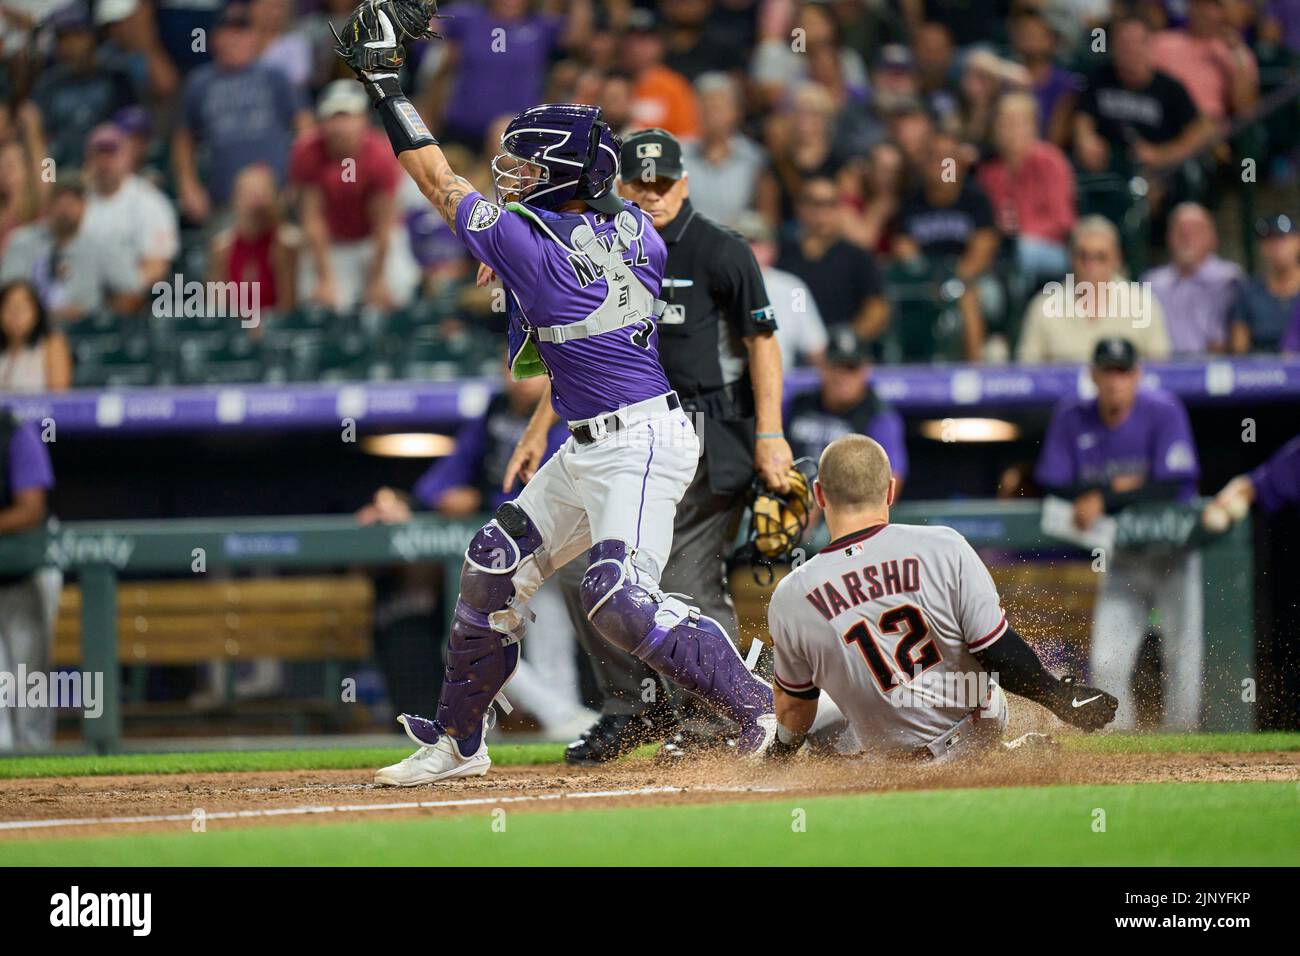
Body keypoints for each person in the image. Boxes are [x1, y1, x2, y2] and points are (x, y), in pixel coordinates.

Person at [330, 5, 773, 786]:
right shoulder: (641, 229)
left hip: (640, 442)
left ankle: (757, 706)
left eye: (532, 172)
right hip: (591, 439)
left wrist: (387, 84)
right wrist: (515, 247)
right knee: (493, 567)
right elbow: (570, 251)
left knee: (618, 599)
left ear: (567, 179)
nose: (517, 178)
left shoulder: (534, 243)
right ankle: (459, 745)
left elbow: (437, 179)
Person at [563, 127, 792, 764]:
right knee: (584, 571)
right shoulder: (602, 249)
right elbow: (578, 346)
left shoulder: (721, 250)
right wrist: (536, 433)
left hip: (709, 434)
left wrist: (770, 434)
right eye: (638, 182)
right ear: (619, 186)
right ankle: (636, 705)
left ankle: (718, 717)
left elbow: (762, 344)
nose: (651, 193)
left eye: (662, 182)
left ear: (683, 183)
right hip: (625, 431)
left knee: (688, 581)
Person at [760, 434, 1117, 763]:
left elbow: (794, 715)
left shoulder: (791, 593)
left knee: (812, 726)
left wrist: (778, 755)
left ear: (820, 495)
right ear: (889, 491)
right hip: (982, 726)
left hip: (892, 760)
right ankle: (999, 756)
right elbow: (997, 651)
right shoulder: (943, 545)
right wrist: (1059, 697)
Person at [357, 369, 597, 741]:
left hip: (556, 543)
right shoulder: (494, 411)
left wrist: (481, 500)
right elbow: (439, 481)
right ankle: (566, 719)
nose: (519, 378)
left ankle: (566, 721)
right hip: (512, 552)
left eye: (533, 371)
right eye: (512, 367)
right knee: (474, 634)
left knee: (549, 647)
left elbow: (546, 490)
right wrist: (412, 504)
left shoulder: (566, 410)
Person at [1035, 338, 1202, 731]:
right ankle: (1118, 745)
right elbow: (1050, 482)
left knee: (1183, 653)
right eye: (1107, 372)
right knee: (1107, 660)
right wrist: (1115, 491)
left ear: (1137, 375)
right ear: (1093, 375)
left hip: (1172, 555)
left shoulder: (1163, 410)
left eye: (1122, 372)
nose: (1114, 381)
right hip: (1122, 558)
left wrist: (1108, 495)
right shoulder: (1072, 415)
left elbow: (1172, 482)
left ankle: (1184, 740)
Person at [172, 2, 308, 223]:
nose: (234, 39)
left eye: (241, 32)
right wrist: (189, 186)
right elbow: (183, 138)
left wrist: (298, 181)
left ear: (255, 38)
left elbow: (305, 126)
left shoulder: (275, 76)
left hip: (277, 199)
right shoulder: (199, 82)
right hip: (225, 204)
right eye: (227, 32)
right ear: (215, 38)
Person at [290, 80, 415, 311]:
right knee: (320, 301)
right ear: (323, 122)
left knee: (396, 290)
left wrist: (376, 279)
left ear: (362, 120)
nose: (341, 126)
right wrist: (325, 278)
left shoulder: (379, 154)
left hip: (374, 239)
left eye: (347, 117)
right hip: (332, 243)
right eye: (334, 118)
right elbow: (312, 219)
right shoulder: (307, 151)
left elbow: (383, 225)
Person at [1073, 15, 1214, 176]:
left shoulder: (1169, 87)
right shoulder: (1099, 77)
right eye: (1123, 43)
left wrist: (1161, 155)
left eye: (1135, 43)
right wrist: (1086, 139)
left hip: (1153, 174)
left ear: (1149, 46)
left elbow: (1202, 128)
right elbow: (1083, 116)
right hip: (1105, 167)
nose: (1130, 50)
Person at [1017, 216, 1170, 364]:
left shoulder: (1143, 305)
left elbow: (1160, 370)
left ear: (1117, 259)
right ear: (1071, 258)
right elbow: (1028, 374)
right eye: (1083, 256)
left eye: (1100, 257)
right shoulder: (1043, 308)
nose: (1091, 266)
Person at [0, 174, 136, 322]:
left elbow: (132, 289)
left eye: (73, 203)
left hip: (87, 331)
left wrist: (100, 311)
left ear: (84, 207)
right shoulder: (22, 242)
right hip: (33, 331)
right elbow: (7, 291)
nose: (66, 210)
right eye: (61, 202)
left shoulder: (98, 247)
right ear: (48, 205)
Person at [0, 407, 58, 750]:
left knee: (29, 687)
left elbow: (31, 509)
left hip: (26, 576)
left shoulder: (15, 432)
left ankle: (39, 785)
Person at [786, 330, 907, 492]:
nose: (842, 376)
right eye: (836, 366)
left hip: (845, 507)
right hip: (791, 500)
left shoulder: (879, 416)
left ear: (865, 370)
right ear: (822, 367)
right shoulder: (798, 405)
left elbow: (890, 482)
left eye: (851, 367)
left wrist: (834, 512)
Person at [977, 91, 1076, 285]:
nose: (1011, 130)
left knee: (1020, 252)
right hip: (1001, 251)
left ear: (1034, 126)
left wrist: (1020, 233)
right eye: (1004, 122)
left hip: (1052, 249)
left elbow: (1063, 221)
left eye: (1019, 122)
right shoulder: (988, 171)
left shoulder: (1050, 161)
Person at [776, 174, 888, 344]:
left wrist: (848, 339)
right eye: (815, 203)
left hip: (843, 354)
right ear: (799, 207)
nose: (822, 212)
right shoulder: (782, 255)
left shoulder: (857, 256)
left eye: (831, 204)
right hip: (793, 350)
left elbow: (877, 308)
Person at [81, 123, 178, 305]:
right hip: (83, 298)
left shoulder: (150, 201)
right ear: (88, 159)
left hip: (134, 300)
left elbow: (157, 266)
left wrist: (123, 295)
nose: (105, 162)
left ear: (126, 157)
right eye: (99, 154)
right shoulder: (77, 203)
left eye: (112, 154)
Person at [1143, 203, 1243, 355]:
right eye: (1180, 231)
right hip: (1165, 369)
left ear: (1213, 238)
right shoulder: (1152, 283)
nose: (1187, 237)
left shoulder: (1230, 280)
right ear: (1168, 238)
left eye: (1196, 230)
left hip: (1218, 366)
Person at [733, 211, 826, 370]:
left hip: (781, 379)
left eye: (755, 241)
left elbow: (815, 346)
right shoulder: (713, 285)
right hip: (727, 381)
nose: (749, 249)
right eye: (742, 242)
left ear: (771, 248)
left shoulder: (794, 289)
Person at [677, 73, 765, 227]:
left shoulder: (754, 159)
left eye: (718, 107)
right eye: (706, 106)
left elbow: (764, 219)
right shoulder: (677, 155)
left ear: (735, 112)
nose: (711, 114)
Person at [1230, 214, 1300, 353]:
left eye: (1282, 238)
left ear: (1297, 241)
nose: (1276, 247)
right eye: (1269, 240)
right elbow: (1239, 349)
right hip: (1261, 370)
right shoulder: (1249, 291)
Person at [0, 280, 72, 392]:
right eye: (8, 305)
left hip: (39, 409)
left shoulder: (52, 343)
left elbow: (59, 399)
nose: (15, 313)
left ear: (36, 311)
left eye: (22, 306)